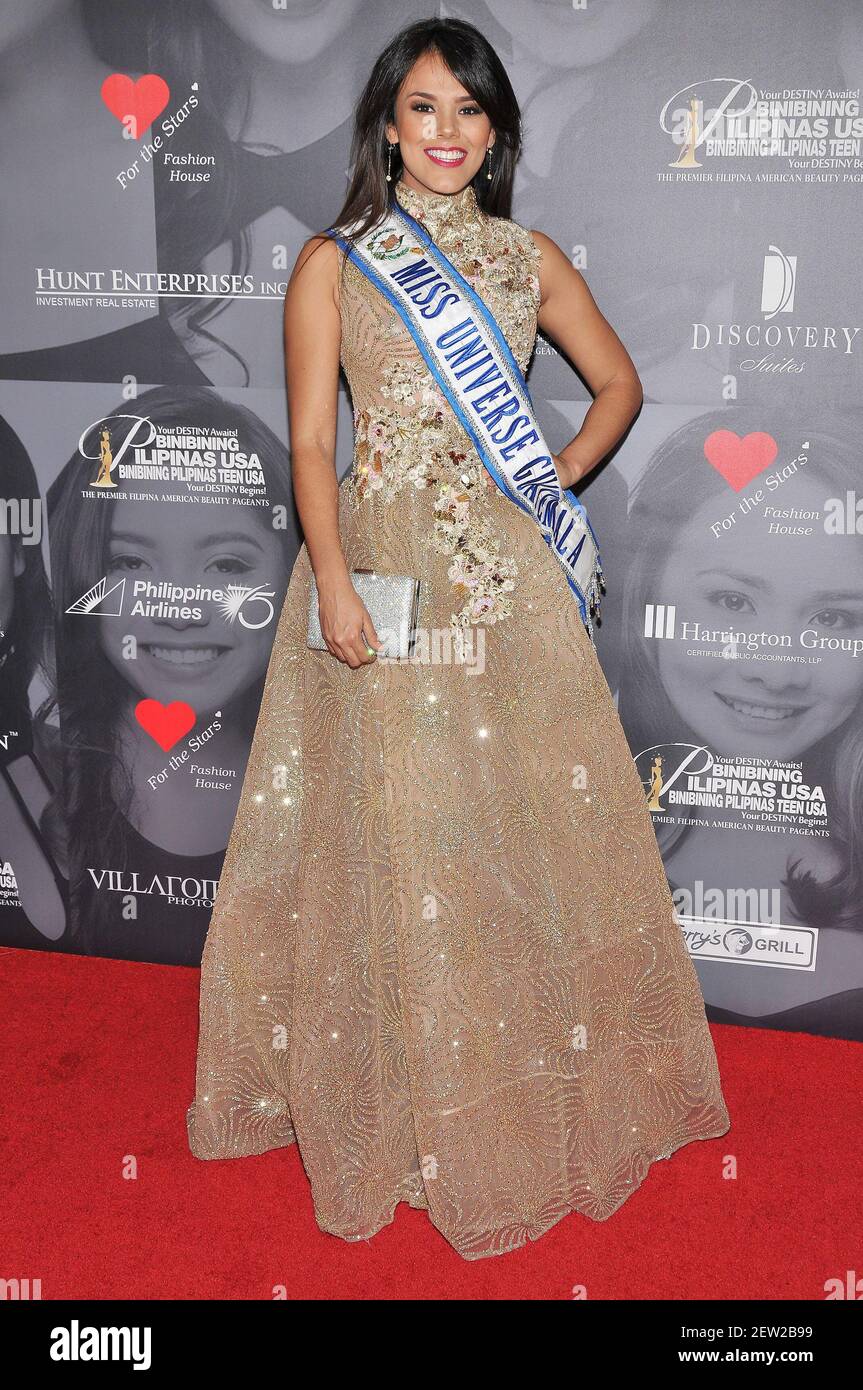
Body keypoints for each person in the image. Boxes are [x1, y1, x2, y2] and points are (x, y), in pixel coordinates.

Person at [186, 16, 730, 1261]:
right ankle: (396, 1100)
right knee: (397, 828)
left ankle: (525, 1083)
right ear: (387, 122)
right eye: (423, 108)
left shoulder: (525, 257)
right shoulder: (334, 262)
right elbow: (314, 444)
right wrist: (329, 579)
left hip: (505, 583)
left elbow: (617, 385)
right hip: (378, 576)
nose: (446, 133)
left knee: (517, 831)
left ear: (496, 131)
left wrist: (548, 483)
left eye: (469, 112)